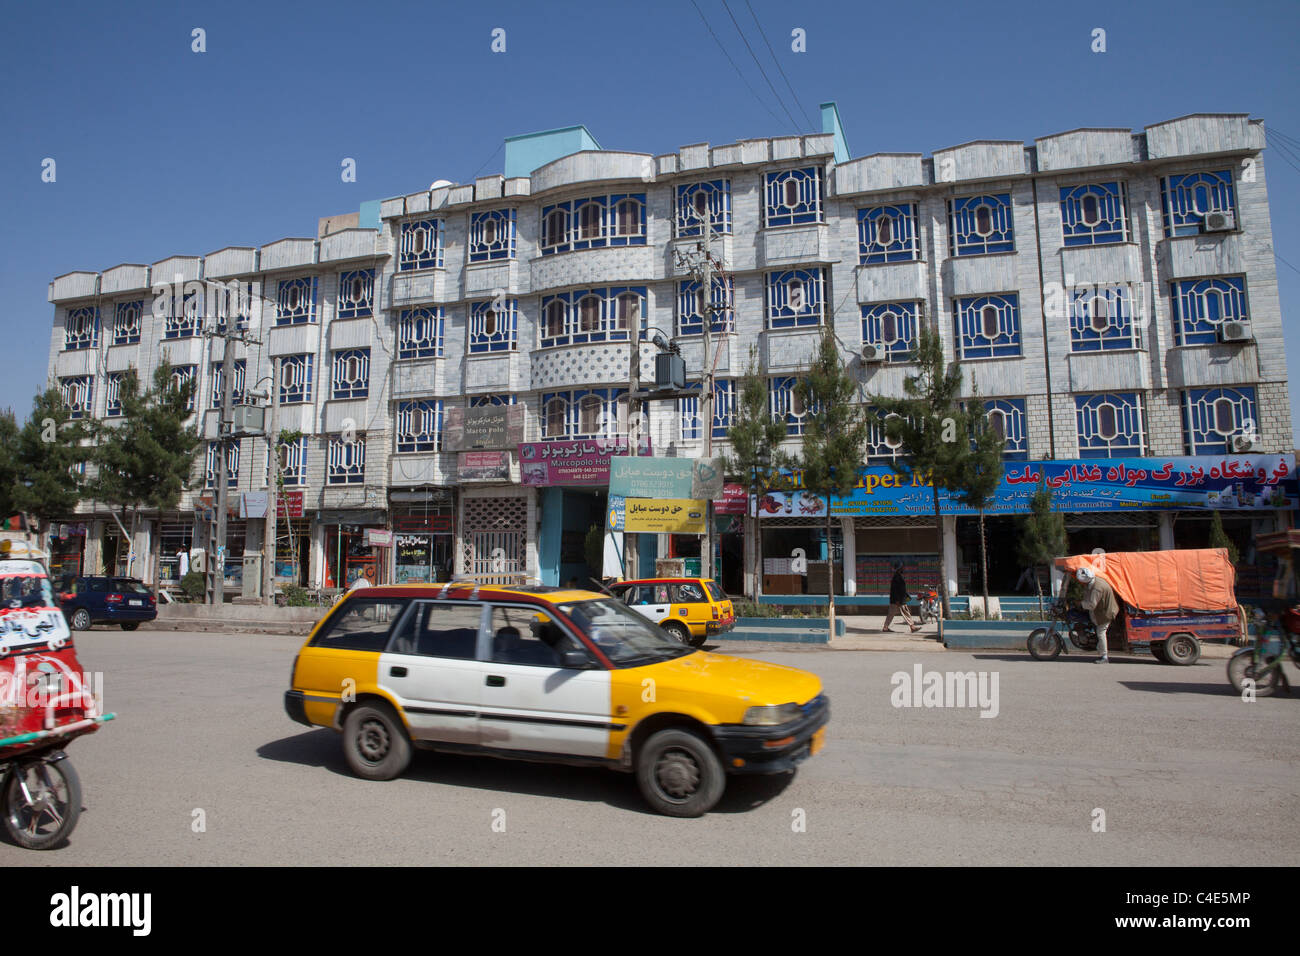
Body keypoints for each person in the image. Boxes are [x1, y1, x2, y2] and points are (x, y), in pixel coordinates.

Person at [1076, 565, 1118, 663]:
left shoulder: (1097, 588)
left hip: (1105, 613)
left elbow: (1091, 605)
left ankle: (1104, 657)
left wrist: (1080, 604)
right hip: (1102, 610)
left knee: (1101, 632)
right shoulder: (1094, 581)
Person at [882, 561, 921, 633]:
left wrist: (906, 596)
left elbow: (902, 589)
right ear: (899, 568)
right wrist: (897, 600)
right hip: (898, 600)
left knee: (892, 613)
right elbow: (895, 590)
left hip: (898, 599)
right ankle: (912, 627)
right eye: (902, 567)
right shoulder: (897, 577)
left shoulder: (898, 576)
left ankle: (885, 627)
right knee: (904, 612)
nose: (903, 568)